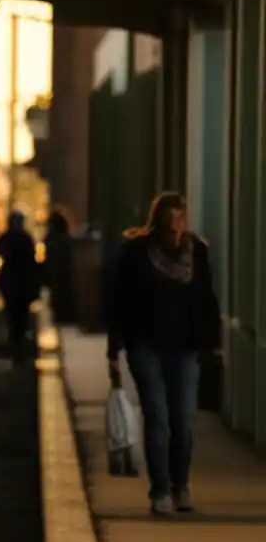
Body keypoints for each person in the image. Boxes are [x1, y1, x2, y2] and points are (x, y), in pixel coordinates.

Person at [108, 192, 221, 515]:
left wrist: (212, 344)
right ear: (157, 221)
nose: (175, 228)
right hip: (146, 347)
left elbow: (207, 298)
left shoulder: (196, 252)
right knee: (157, 417)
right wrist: (113, 350)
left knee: (183, 421)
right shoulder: (138, 253)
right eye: (169, 221)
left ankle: (181, 485)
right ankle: (160, 490)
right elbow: (120, 302)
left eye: (180, 220)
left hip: (185, 349)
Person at [0, 210, 40, 360]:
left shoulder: (7, 237)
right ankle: (20, 344)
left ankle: (16, 343)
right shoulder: (26, 238)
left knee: (13, 315)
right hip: (23, 283)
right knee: (22, 315)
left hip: (11, 283)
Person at [44, 205, 75, 325]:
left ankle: (59, 318)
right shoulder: (66, 240)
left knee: (56, 299)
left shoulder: (50, 239)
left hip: (54, 275)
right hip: (64, 275)